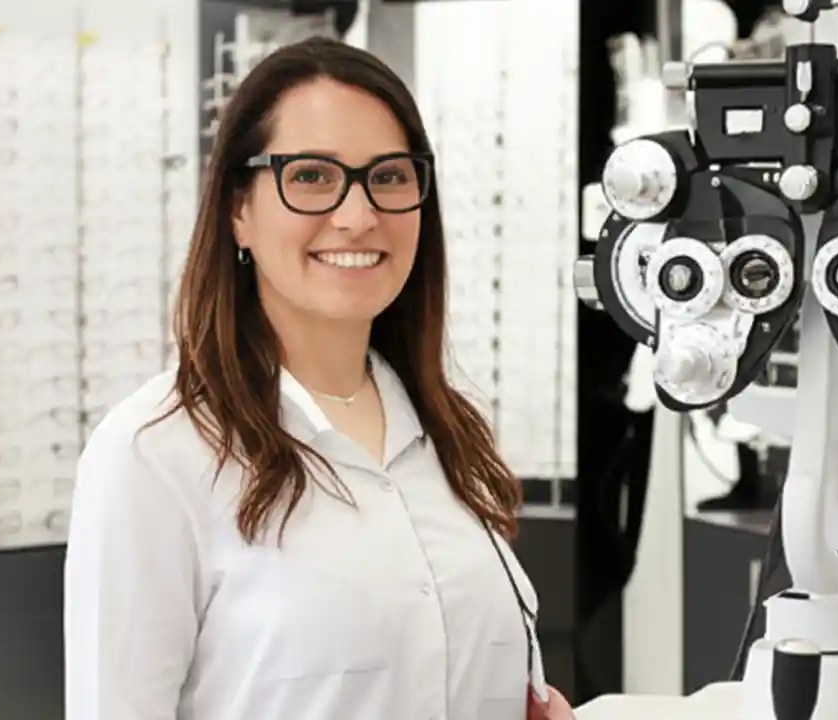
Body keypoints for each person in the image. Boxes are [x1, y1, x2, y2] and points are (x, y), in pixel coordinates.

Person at [63, 36, 575, 720]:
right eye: (310, 176)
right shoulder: (153, 454)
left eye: (389, 176)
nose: (358, 215)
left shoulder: (447, 434)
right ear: (237, 210)